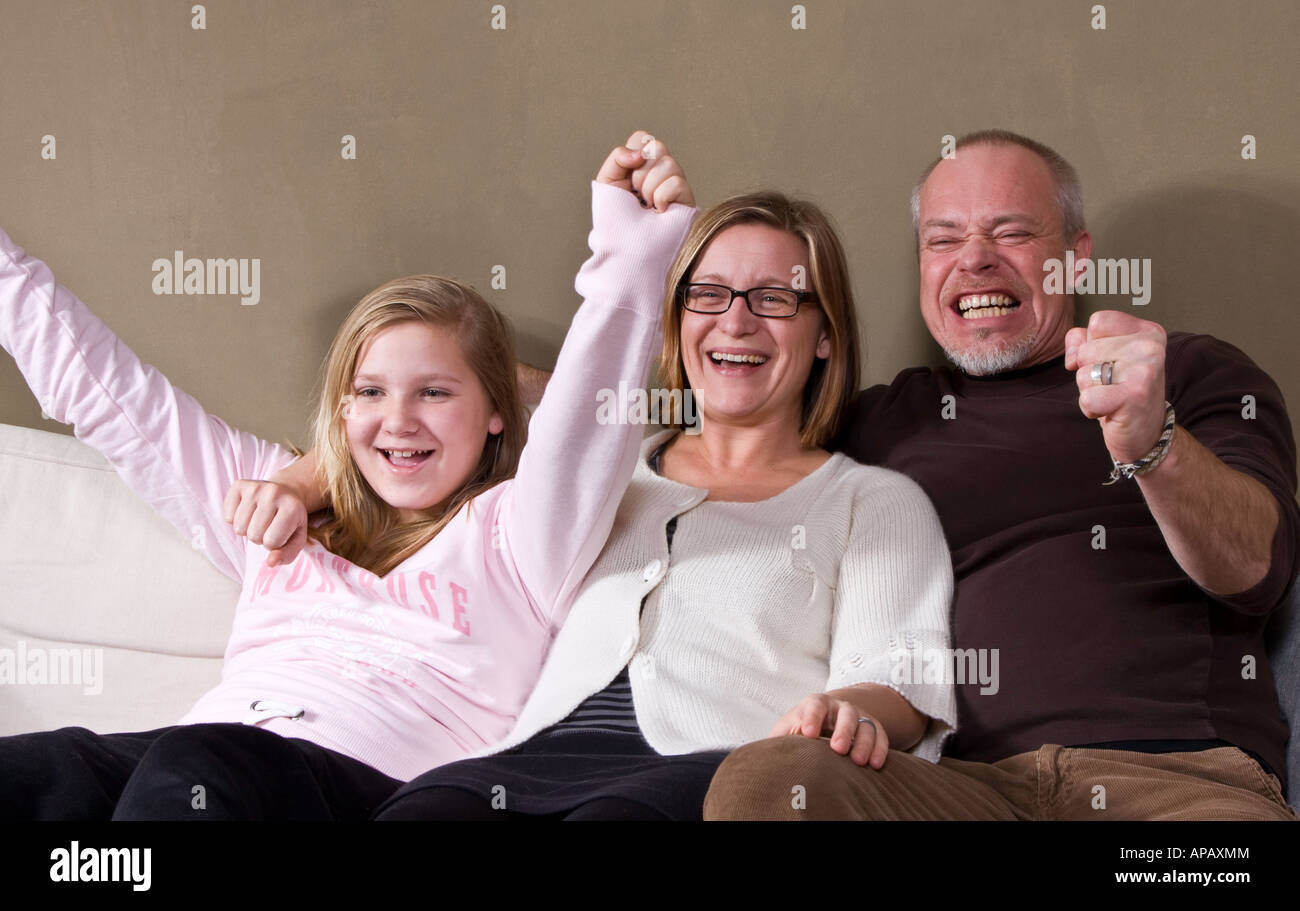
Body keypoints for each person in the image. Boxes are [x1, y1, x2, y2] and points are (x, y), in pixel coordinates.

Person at [250, 139, 957, 821]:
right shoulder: (605, 467)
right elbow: (451, 395)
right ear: (676, 319)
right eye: (708, 294)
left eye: (774, 298)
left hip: (705, 768)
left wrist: (850, 710)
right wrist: (302, 479)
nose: (736, 322)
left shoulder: (870, 502)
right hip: (521, 762)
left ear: (825, 332)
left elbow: (901, 675)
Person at [0, 132, 695, 820]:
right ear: (342, 408)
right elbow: (108, 395)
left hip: (350, 784)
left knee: (200, 764)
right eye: (371, 392)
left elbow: (585, 420)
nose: (399, 421)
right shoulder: (270, 501)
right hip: (189, 767)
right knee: (47, 766)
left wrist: (630, 257)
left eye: (434, 392)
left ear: (495, 412)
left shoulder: (518, 534)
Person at [702, 129, 1300, 821]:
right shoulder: (869, 425)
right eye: (944, 239)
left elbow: (1257, 569)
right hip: (952, 793)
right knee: (769, 779)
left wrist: (1154, 444)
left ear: (1076, 258)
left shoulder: (1184, 372)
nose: (975, 258)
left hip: (1172, 784)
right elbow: (690, 473)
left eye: (1011, 232)